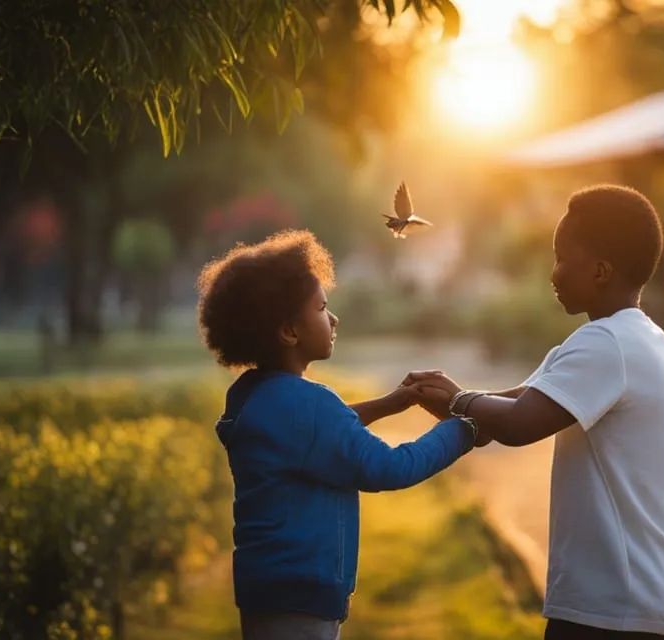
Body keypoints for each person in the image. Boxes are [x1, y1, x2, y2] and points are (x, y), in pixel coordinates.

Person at [408, 185, 664, 640]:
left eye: (561, 258)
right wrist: (453, 397)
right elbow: (510, 406)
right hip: (658, 608)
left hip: (621, 614)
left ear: (601, 271)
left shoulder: (606, 343)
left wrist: (458, 398)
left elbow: (516, 425)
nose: (552, 274)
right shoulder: (645, 342)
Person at [196, 230, 478, 640]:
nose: (334, 319)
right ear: (290, 331)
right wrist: (464, 428)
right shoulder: (309, 406)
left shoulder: (254, 396)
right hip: (303, 600)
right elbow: (388, 467)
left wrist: (390, 403)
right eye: (323, 308)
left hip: (266, 595)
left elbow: (317, 435)